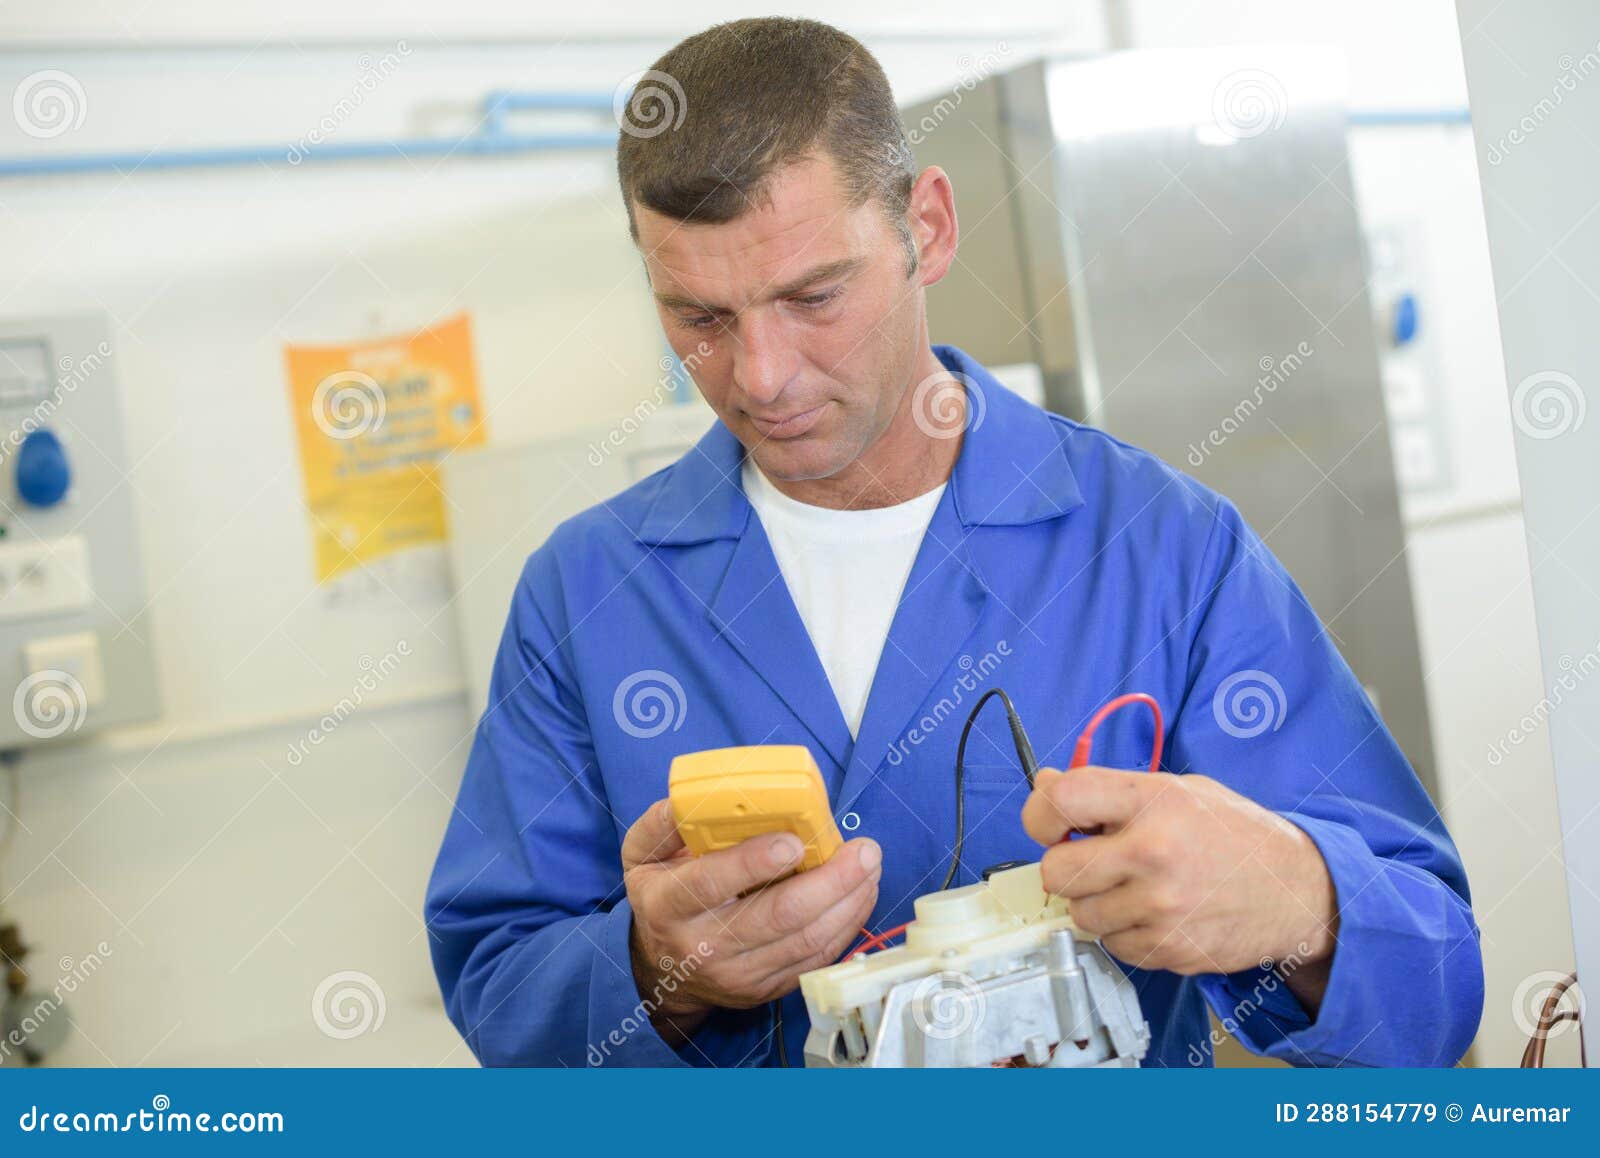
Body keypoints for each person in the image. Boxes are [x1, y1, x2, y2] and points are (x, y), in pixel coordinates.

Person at [425, 16, 1482, 1068]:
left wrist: (1302, 902)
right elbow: (498, 986)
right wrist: (655, 971)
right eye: (699, 318)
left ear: (925, 227)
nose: (760, 376)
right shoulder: (589, 593)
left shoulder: (1161, 549)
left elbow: (1435, 995)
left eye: (812, 298)